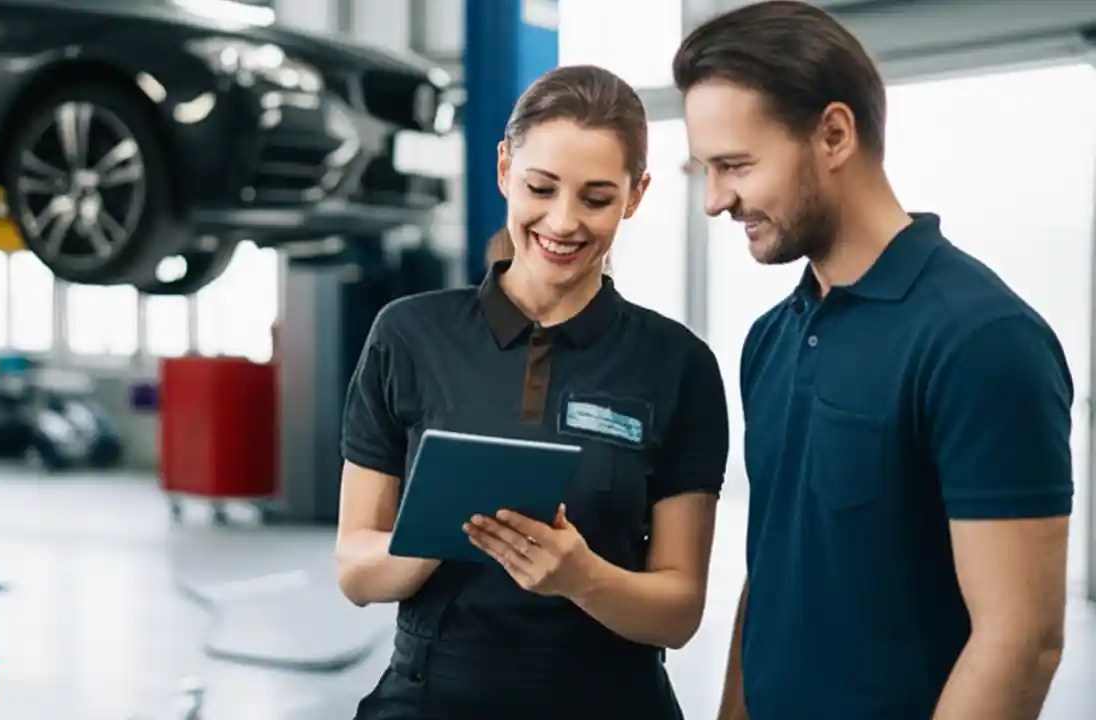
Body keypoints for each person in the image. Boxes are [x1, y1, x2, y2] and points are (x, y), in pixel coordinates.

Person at [672, 2, 1074, 719]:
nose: (715, 200)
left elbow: (1021, 641)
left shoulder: (982, 340)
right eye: (706, 169)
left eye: (735, 165)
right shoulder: (771, 338)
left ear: (833, 134)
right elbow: (772, 572)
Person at [335, 64, 730, 719]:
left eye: (596, 198)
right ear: (503, 170)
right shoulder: (409, 335)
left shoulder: (677, 364)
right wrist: (445, 526)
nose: (563, 222)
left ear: (636, 196)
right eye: (540, 188)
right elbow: (355, 570)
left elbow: (679, 611)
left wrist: (582, 578)